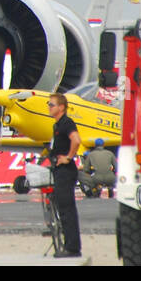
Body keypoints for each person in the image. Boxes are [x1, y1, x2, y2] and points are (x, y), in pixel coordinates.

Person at [47, 93, 83, 258]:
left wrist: (68, 157)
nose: (49, 107)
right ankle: (69, 245)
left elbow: (76, 140)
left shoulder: (66, 123)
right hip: (59, 169)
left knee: (67, 209)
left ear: (61, 107)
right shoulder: (57, 125)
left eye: (52, 104)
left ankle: (72, 247)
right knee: (63, 208)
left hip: (65, 170)